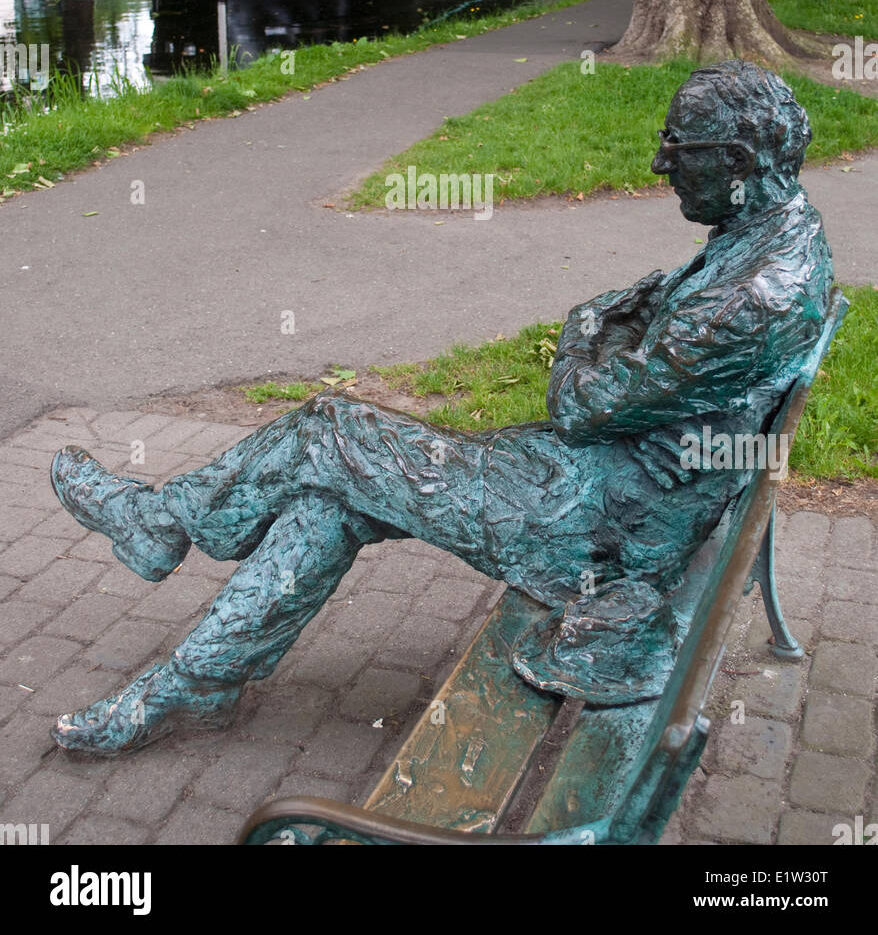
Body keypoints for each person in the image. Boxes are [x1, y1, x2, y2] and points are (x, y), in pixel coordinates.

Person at [48, 59, 832, 754]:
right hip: (608, 487)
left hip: (594, 527)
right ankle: (194, 680)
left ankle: (164, 528)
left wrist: (583, 331)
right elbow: (622, 370)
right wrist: (615, 355)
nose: (660, 162)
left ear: (735, 161)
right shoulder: (774, 234)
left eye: (678, 148)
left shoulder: (749, 296)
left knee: (329, 431)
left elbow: (578, 402)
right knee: (332, 497)